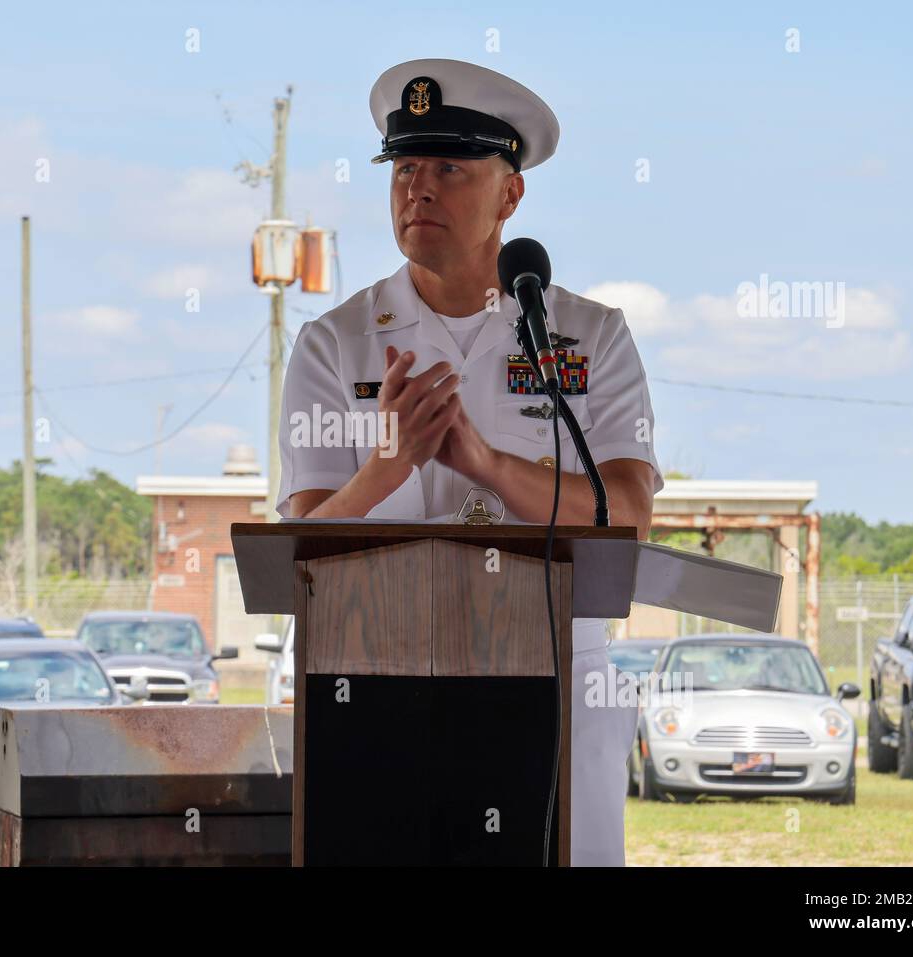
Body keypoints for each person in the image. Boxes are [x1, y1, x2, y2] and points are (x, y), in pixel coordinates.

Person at [275, 57, 664, 865]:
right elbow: (298, 548)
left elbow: (625, 513)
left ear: (510, 196)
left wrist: (484, 462)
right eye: (406, 167)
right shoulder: (333, 341)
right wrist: (388, 466)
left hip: (554, 682)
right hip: (374, 684)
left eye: (450, 167)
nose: (419, 188)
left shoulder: (588, 337)